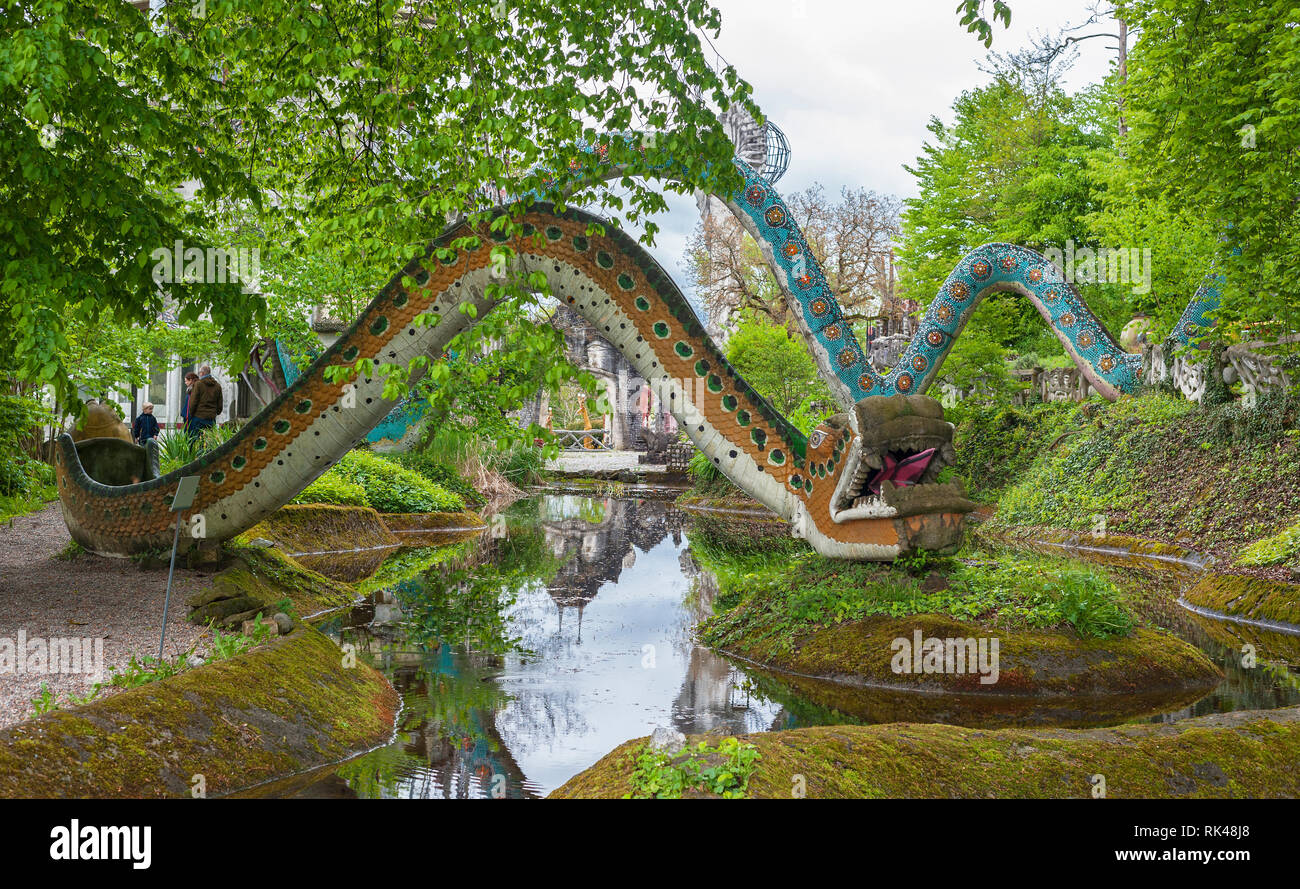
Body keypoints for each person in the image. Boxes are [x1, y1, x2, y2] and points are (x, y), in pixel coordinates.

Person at [186, 365, 223, 442]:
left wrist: (191, 414)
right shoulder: (217, 386)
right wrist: (216, 412)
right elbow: (220, 405)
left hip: (198, 418)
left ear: (202, 373)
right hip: (211, 418)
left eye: (199, 372)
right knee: (209, 441)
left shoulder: (198, 384)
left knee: (196, 441)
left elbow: (193, 402)